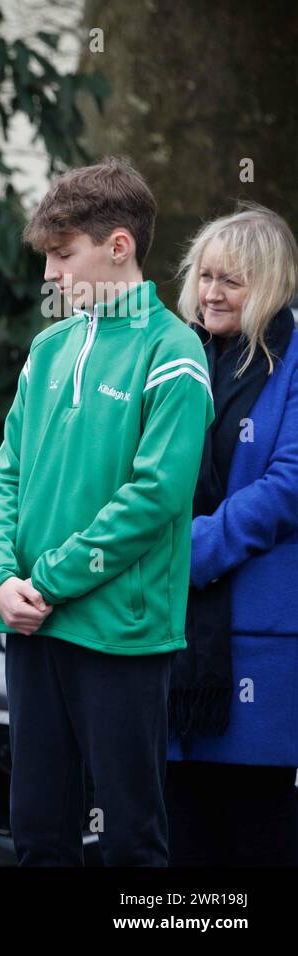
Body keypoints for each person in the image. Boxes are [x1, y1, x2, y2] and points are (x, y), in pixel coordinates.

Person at [0, 157, 214, 866]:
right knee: (38, 835)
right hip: (27, 623)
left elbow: (155, 497)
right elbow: (4, 477)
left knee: (131, 840)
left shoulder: (174, 353)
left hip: (121, 636)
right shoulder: (48, 347)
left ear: (119, 247)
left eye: (62, 253)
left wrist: (48, 580)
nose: (50, 274)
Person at [164, 203, 298, 866]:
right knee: (181, 835)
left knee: (259, 834)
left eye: (232, 281)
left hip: (260, 648)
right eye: (205, 275)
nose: (211, 292)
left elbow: (288, 484)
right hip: (169, 638)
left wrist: (190, 548)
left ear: (270, 285)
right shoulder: (173, 354)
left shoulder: (294, 363)